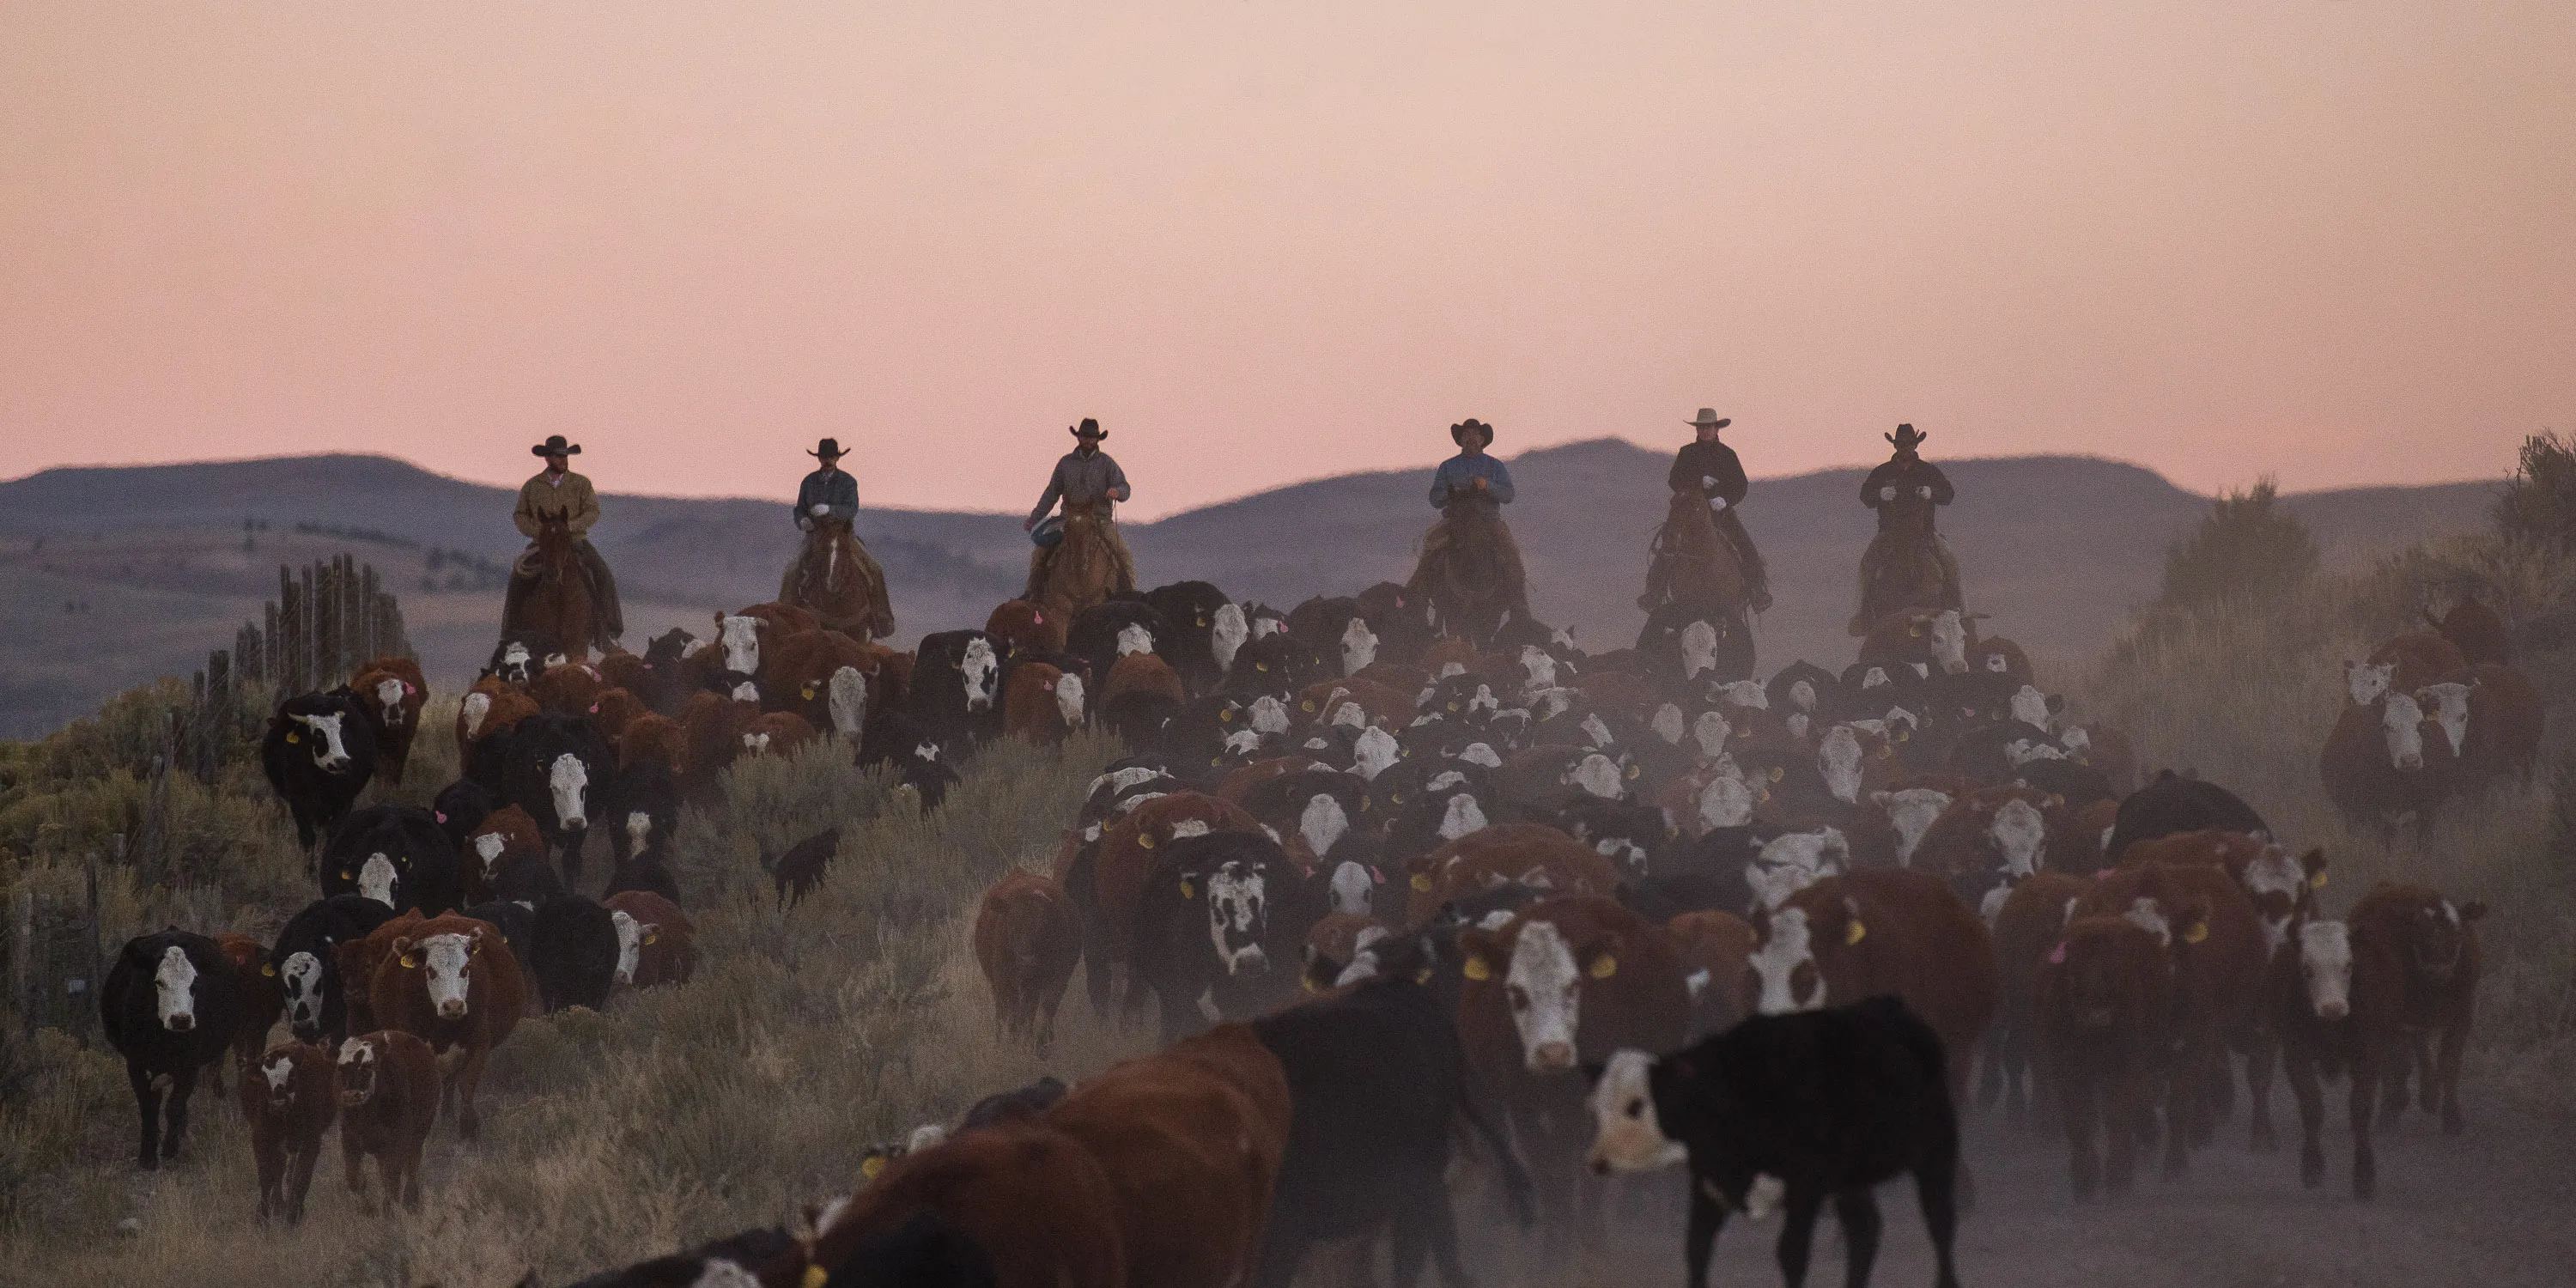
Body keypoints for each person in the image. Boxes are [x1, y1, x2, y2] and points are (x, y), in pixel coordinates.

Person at [1641, 408, 1773, 613]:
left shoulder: (1728, 455)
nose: (1705, 431)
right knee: (1669, 542)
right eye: (1701, 427)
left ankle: (1757, 591)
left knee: (1745, 544)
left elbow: (1741, 485)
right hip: (1688, 509)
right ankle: (1654, 592)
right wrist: (1697, 481)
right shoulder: (1687, 453)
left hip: (1720, 511)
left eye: (1708, 427)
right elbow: (1674, 479)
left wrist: (1725, 500)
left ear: (1716, 428)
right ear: (1697, 429)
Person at [1409, 418, 1531, 629]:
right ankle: (1413, 601)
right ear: (1460, 440)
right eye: (1466, 434)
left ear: (1483, 440)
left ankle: (1519, 608)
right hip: (1455, 519)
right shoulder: (1447, 467)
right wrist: (1449, 493)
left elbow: (1508, 494)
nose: (1470, 438)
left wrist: (1487, 485)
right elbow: (1434, 498)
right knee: (1430, 546)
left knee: (1512, 556)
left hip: (1489, 521)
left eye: (1475, 434)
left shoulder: (1495, 466)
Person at [506, 434, 623, 648]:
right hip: (542, 545)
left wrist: (571, 527)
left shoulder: (581, 484)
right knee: (517, 578)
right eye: (559, 456)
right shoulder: (532, 486)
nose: (564, 460)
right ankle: (509, 635)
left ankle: (608, 632)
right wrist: (538, 532)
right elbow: (520, 514)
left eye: (565, 456)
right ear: (548, 458)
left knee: (603, 574)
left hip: (575, 541)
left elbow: (593, 511)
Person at [1852, 422, 1960, 634]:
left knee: (1950, 562)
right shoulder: (1882, 472)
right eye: (1900, 444)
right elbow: (1865, 497)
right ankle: (1860, 617)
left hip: (1925, 534)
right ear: (1894, 446)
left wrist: (1932, 493)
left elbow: (1948, 494)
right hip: (1889, 534)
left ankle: (1959, 613)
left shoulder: (1928, 471)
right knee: (1867, 566)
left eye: (1909, 443)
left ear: (1915, 444)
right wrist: (1880, 494)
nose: (1905, 448)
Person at [783, 437, 896, 639]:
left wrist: (830, 510)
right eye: (824, 457)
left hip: (843, 535)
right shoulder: (808, 482)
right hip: (815, 536)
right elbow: (799, 509)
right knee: (792, 570)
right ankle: (783, 619)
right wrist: (802, 521)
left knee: (874, 568)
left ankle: (882, 620)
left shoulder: (848, 482)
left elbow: (851, 508)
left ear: (837, 458)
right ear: (819, 459)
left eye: (831, 457)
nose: (827, 461)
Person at [1023, 418, 1134, 604]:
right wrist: (1034, 518)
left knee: (1124, 557)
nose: (1088, 441)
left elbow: (1125, 487)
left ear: (1098, 440)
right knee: (1039, 554)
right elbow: (1051, 493)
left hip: (1099, 520)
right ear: (1078, 438)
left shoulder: (1107, 464)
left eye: (1092, 438)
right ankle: (1031, 596)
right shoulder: (1065, 464)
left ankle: (1130, 599)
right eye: (1085, 437)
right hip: (1067, 519)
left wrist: (1117, 492)